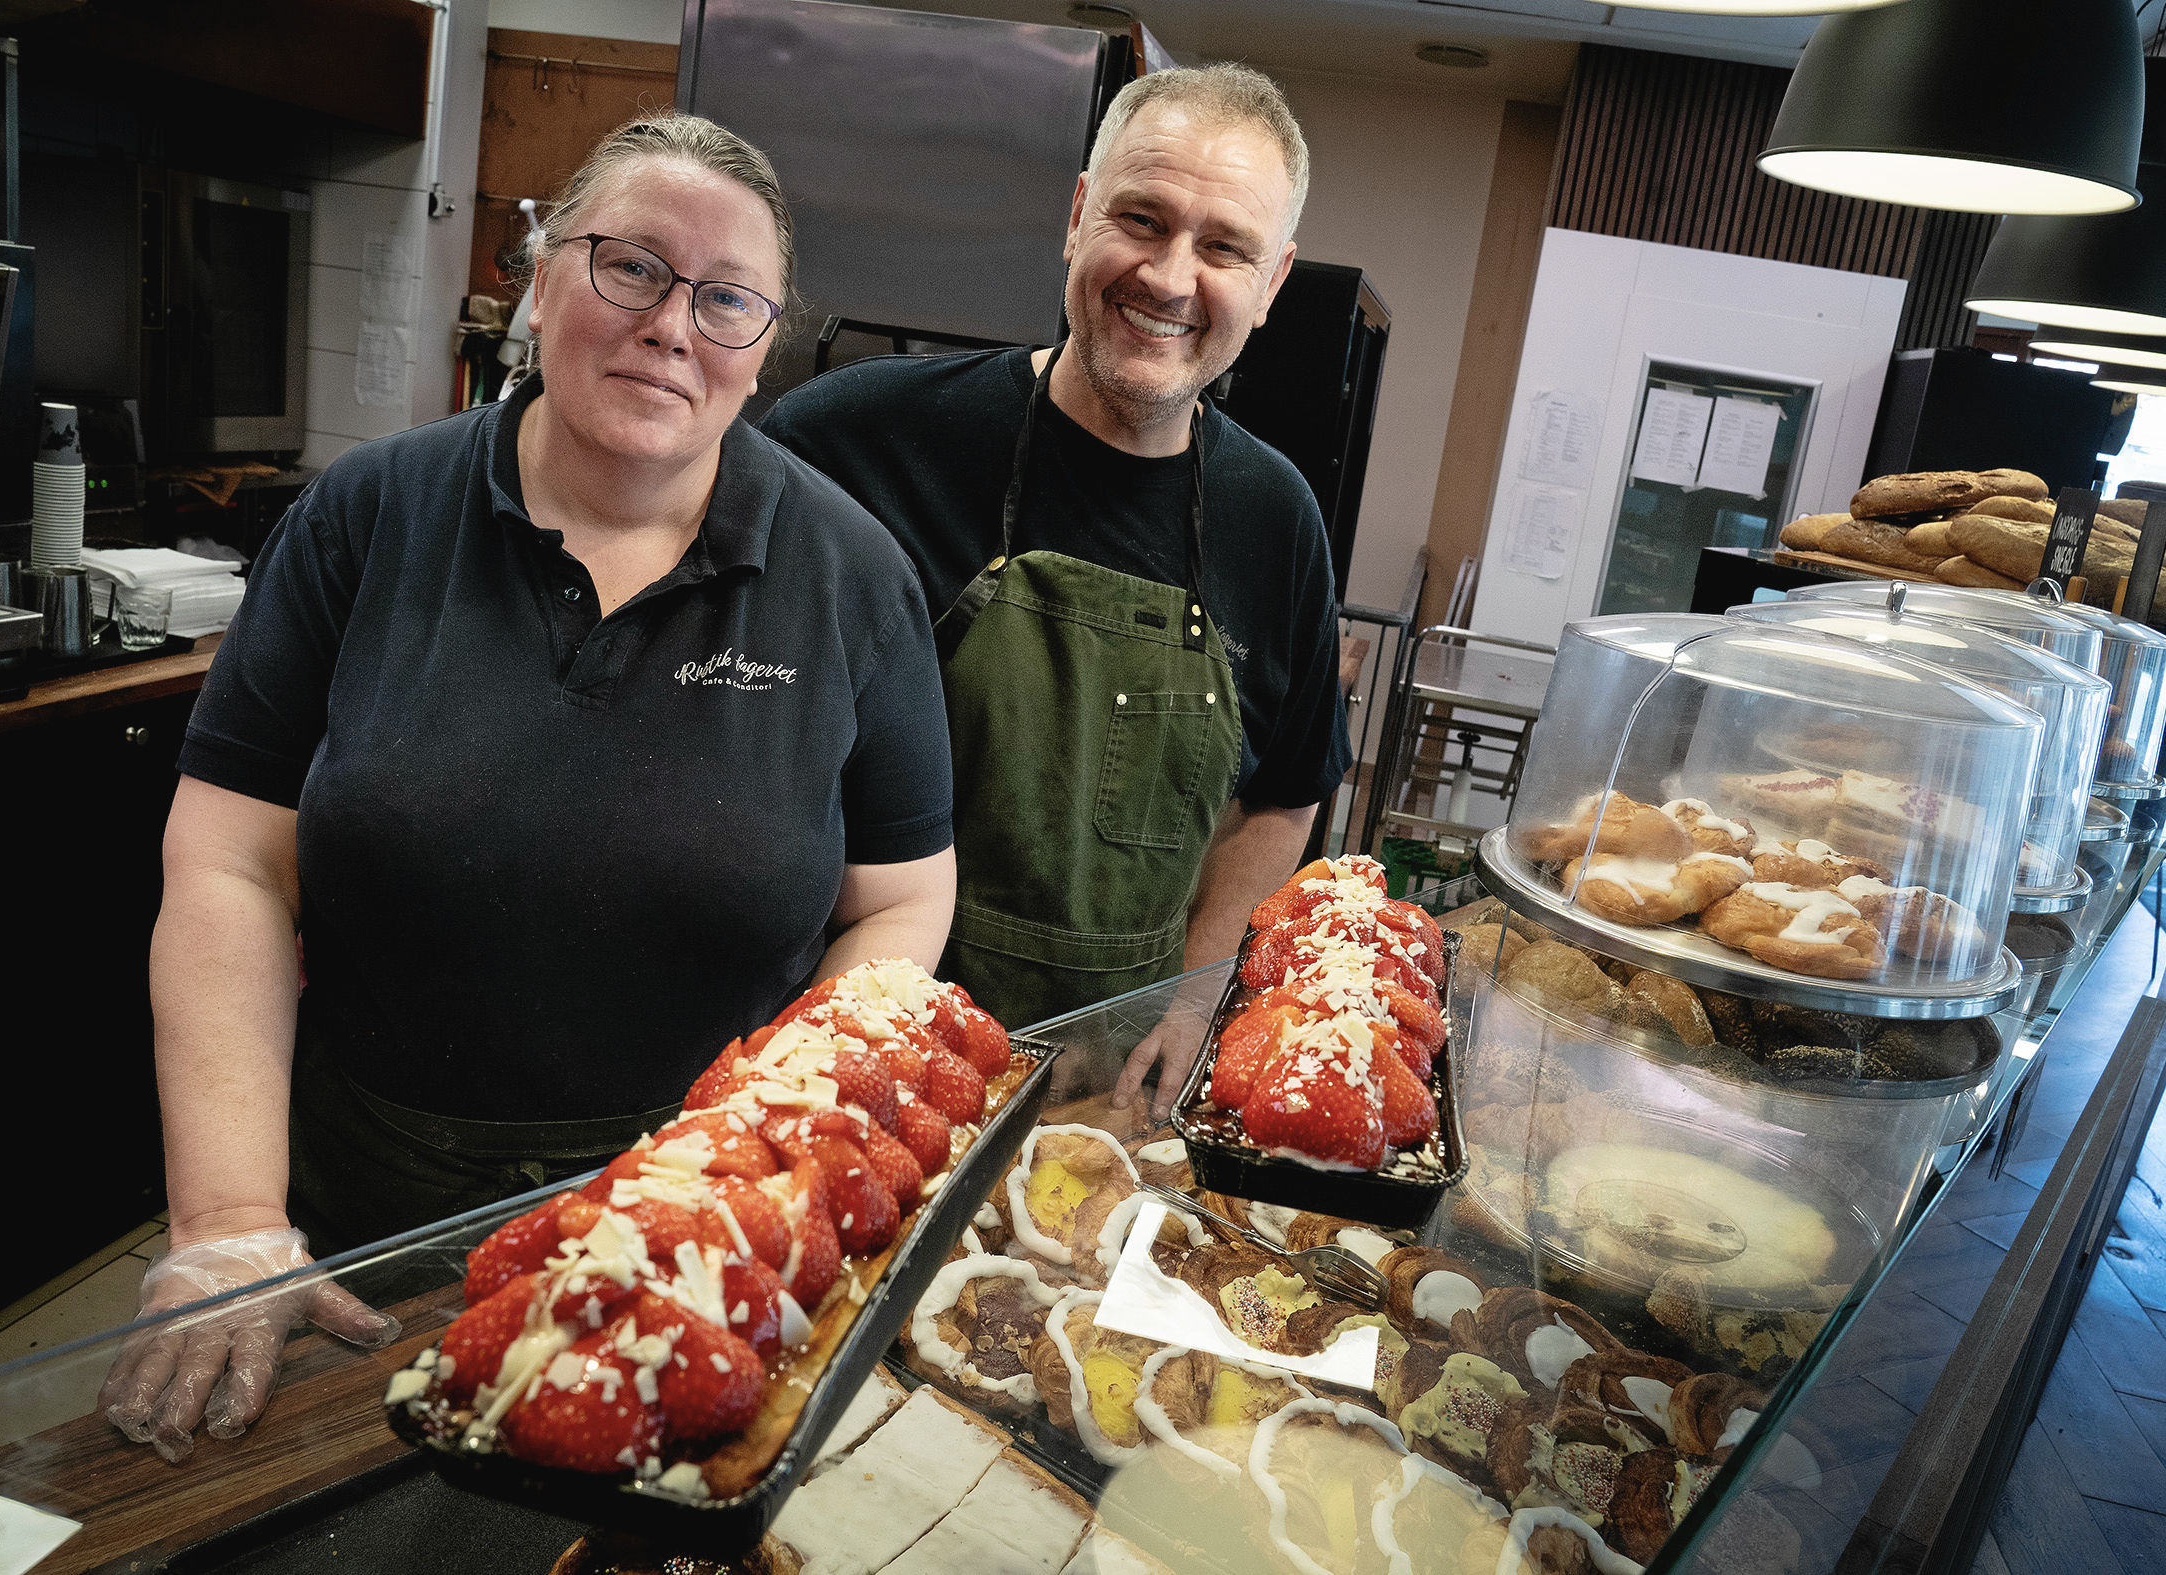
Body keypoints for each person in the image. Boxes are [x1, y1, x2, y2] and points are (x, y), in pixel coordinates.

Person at [103, 115, 956, 1461]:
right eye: (629, 267)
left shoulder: (852, 575)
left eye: (725, 297)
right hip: (352, 1227)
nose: (672, 325)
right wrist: (224, 1224)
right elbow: (227, 867)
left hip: (697, 1231)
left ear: (765, 341)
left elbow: (901, 899)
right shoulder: (365, 518)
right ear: (541, 279)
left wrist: (754, 1153)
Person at [761, 64, 1349, 1104]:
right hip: (848, 1071)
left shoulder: (1277, 518)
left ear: (1272, 284)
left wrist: (1191, 1001)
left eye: (1223, 247)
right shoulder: (853, 442)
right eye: (1142, 218)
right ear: (1078, 217)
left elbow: (1283, 797)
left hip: (1101, 1098)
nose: (1170, 278)